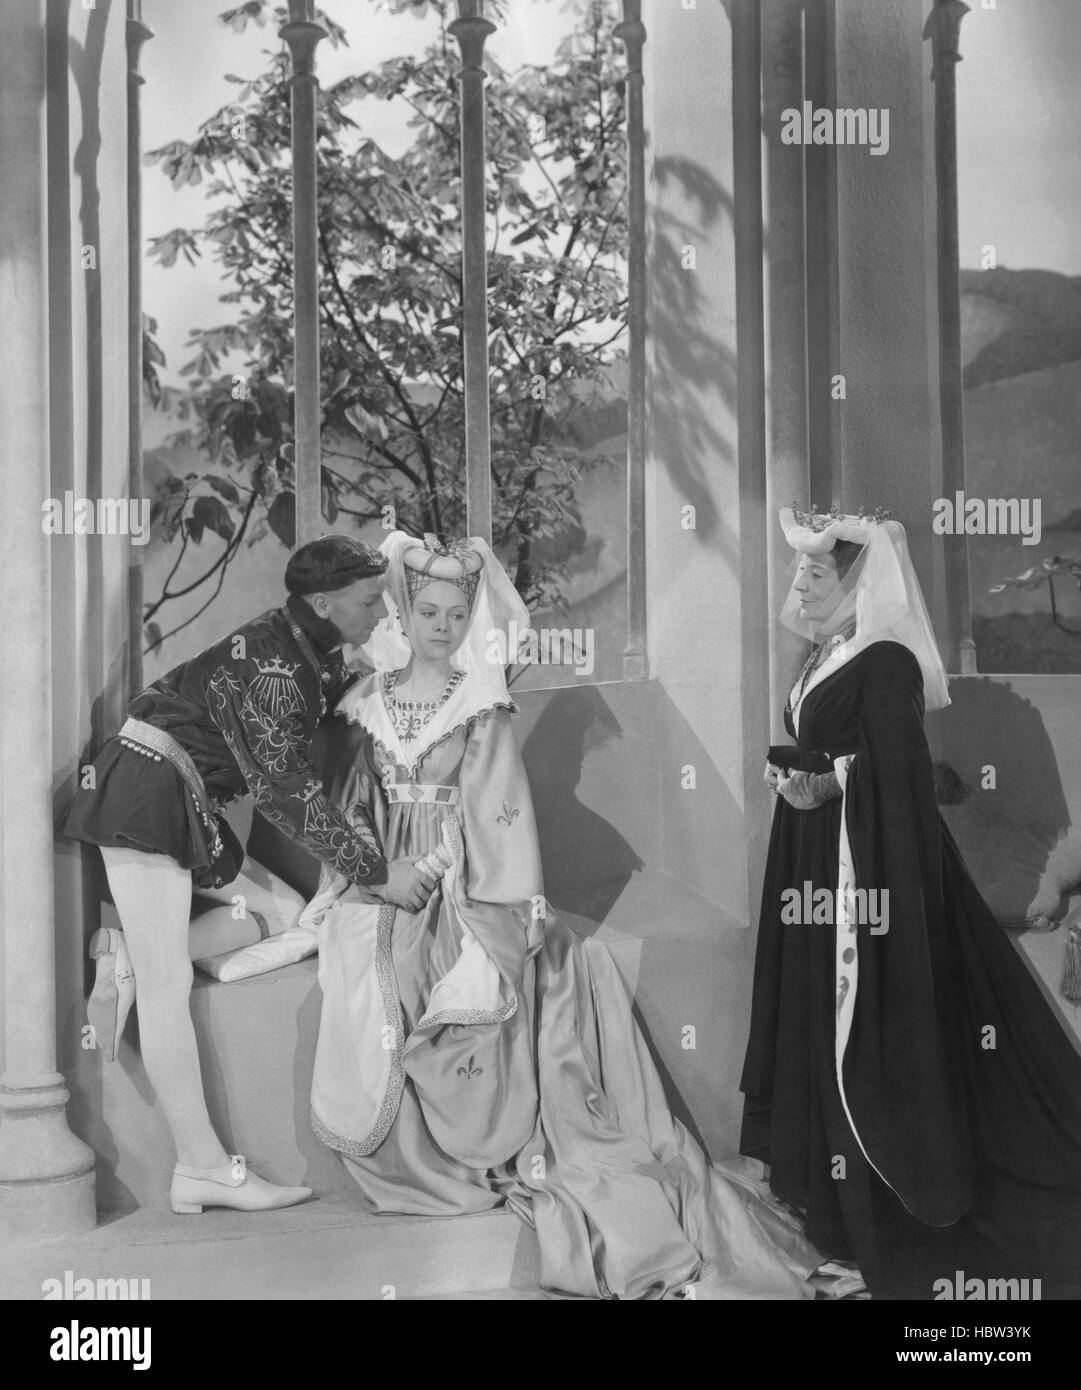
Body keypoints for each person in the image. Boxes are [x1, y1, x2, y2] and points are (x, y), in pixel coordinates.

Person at [295, 530, 856, 1301]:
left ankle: (540, 1158)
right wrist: (364, 878)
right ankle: (419, 1156)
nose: (441, 628)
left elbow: (499, 812)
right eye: (427, 612)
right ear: (404, 609)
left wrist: (484, 895)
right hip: (384, 878)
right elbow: (348, 805)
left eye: (456, 615)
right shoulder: (365, 703)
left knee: (482, 977)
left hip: (460, 875)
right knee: (370, 971)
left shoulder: (479, 705)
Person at [740, 506, 1081, 1299]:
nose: (800, 581)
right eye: (801, 570)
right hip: (813, 858)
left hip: (865, 872)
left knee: (859, 1027)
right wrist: (791, 774)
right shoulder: (827, 649)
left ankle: (880, 1212)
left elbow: (898, 772)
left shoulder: (885, 658)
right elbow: (830, 743)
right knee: (816, 1021)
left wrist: (828, 781)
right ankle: (830, 1205)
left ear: (860, 578)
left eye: (816, 571)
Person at [62, 535, 435, 1215]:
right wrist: (374, 872)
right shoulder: (277, 665)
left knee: (283, 913)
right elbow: (286, 791)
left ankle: (131, 963)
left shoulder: (300, 645)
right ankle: (200, 1167)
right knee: (169, 991)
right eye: (366, 599)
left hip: (179, 794)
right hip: (146, 793)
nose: (381, 608)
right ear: (321, 602)